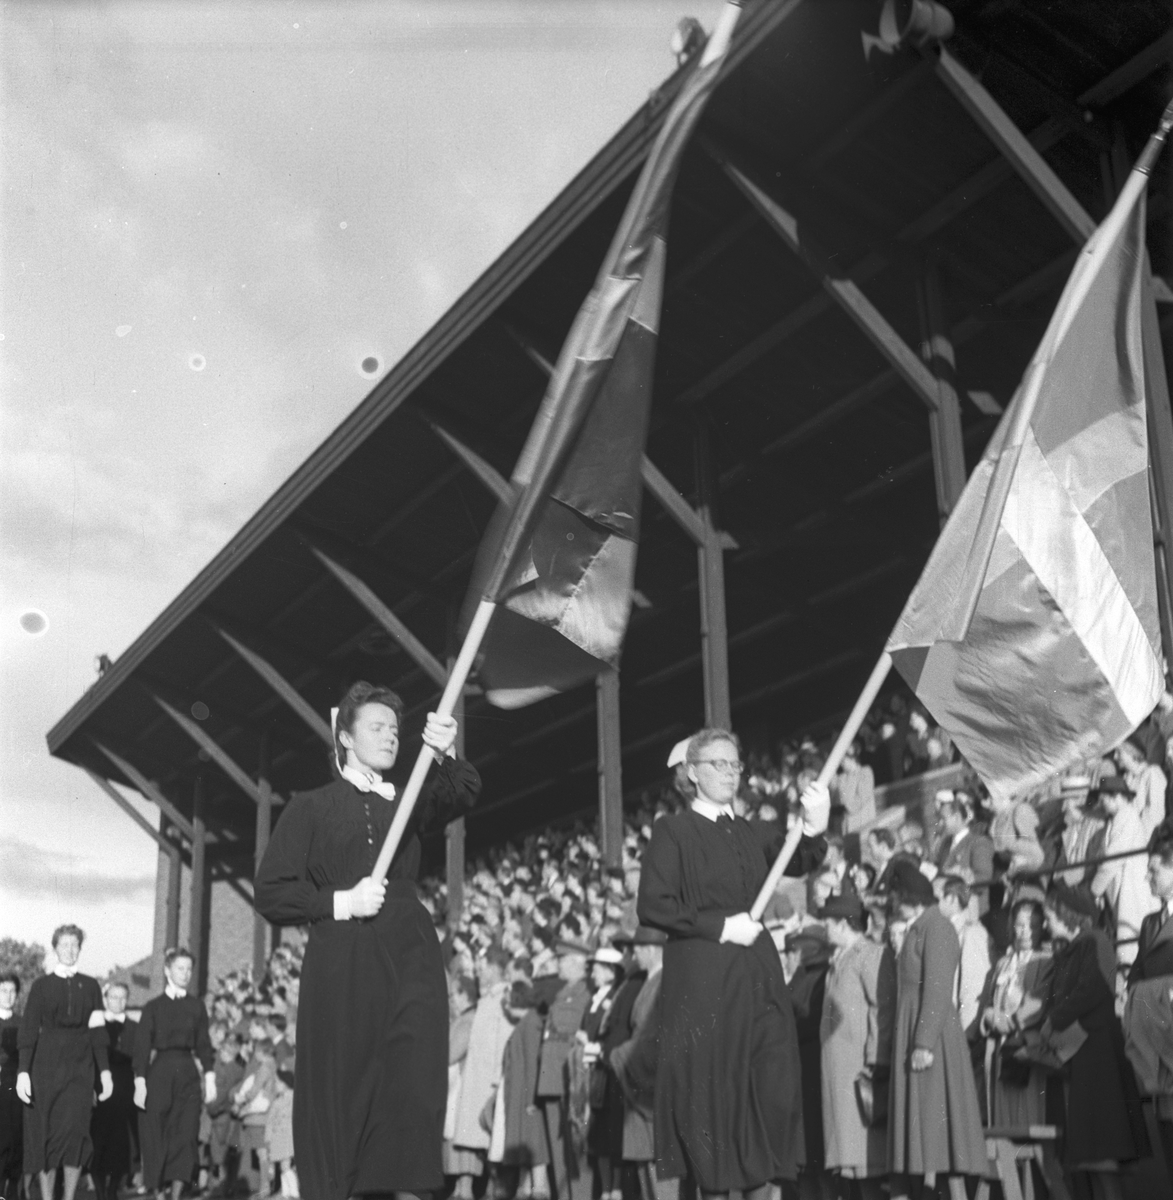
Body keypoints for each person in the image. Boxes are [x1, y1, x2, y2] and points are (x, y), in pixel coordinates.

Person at [254, 681, 481, 1200]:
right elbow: (270, 891)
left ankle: (406, 1187)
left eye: (396, 730)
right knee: (347, 1081)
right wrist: (339, 902)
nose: (390, 737)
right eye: (376, 727)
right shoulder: (311, 807)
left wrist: (444, 750)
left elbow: (462, 793)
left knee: (413, 1077)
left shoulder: (405, 801)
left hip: (410, 948)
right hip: (343, 949)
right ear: (346, 739)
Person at [637, 727, 829, 1199]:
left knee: (770, 1082)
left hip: (757, 976)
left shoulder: (753, 830)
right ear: (692, 774)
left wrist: (815, 824)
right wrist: (719, 927)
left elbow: (800, 857)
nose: (729, 773)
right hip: (706, 977)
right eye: (718, 764)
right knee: (715, 1095)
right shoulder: (673, 831)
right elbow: (654, 905)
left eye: (735, 764)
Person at [885, 862, 986, 1199]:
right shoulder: (919, 927)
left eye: (895, 894)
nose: (891, 901)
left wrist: (924, 1042)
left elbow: (939, 988)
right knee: (923, 1135)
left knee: (933, 1132)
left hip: (933, 1038)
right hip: (914, 1029)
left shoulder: (937, 927)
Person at [1043, 884, 1149, 1199]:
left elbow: (1093, 989)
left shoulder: (1096, 941)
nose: (1047, 922)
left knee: (1102, 1158)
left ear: (1066, 915)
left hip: (1099, 1060)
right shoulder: (1071, 948)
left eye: (1050, 915)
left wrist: (1054, 1019)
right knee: (1089, 1161)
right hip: (1081, 1059)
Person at [18, 924, 113, 1200]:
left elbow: (97, 1033)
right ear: (55, 948)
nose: (70, 950)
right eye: (65, 945)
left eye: (75, 945)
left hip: (80, 1070)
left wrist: (105, 1073)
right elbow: (28, 1030)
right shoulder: (41, 986)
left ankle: (69, 1198)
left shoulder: (92, 985)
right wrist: (23, 1072)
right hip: (46, 1069)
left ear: (80, 949)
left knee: (76, 1132)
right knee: (45, 1133)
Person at [817, 895, 895, 1200]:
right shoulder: (838, 960)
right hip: (838, 1075)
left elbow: (882, 1009)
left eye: (828, 922)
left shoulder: (871, 954)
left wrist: (876, 1060)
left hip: (859, 1074)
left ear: (843, 924)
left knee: (866, 1162)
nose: (825, 928)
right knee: (849, 1165)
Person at [134, 948, 216, 1200]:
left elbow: (203, 1043)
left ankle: (176, 1194)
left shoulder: (196, 1006)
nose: (185, 974)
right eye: (180, 968)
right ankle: (158, 1191)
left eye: (189, 969)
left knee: (186, 1133)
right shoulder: (153, 1007)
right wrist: (140, 1082)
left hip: (187, 1073)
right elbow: (141, 1047)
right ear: (167, 970)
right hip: (159, 1072)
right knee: (156, 1133)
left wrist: (210, 1078)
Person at [1123, 827, 1173, 1173]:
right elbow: (1135, 980)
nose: (1147, 876)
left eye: (1154, 869)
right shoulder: (1149, 923)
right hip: (1159, 1046)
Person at [978, 899, 1051, 1127]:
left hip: (1026, 1044)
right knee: (1002, 1114)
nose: (1025, 932)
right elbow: (989, 1002)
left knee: (1027, 1114)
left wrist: (1008, 1023)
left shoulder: (1046, 961)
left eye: (1033, 926)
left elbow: (1037, 1005)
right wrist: (989, 1015)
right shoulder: (1002, 964)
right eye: (1020, 925)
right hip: (1000, 1046)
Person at [608, 928, 667, 1200]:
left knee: (658, 1170)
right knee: (645, 1167)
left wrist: (620, 1054)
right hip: (638, 1078)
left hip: (650, 1082)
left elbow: (654, 1034)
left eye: (639, 949)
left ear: (653, 949)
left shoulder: (664, 980)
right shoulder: (649, 980)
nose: (635, 955)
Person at [535, 939, 591, 1200]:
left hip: (569, 1075)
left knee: (575, 1146)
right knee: (557, 1149)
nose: (556, 964)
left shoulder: (584, 991)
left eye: (561, 959)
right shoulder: (561, 992)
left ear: (574, 962)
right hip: (551, 1075)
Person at [1090, 776, 1157, 966]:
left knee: (1132, 940)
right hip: (1121, 888)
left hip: (1133, 887)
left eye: (1104, 800)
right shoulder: (1116, 820)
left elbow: (1113, 856)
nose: (1102, 805)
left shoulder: (1128, 816)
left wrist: (1095, 890)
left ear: (1117, 796)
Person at [90, 980, 140, 1200]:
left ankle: (112, 1191)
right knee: (98, 1143)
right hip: (101, 1088)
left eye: (123, 997)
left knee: (122, 1145)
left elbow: (140, 1059)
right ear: (105, 999)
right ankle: (101, 1193)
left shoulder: (135, 1027)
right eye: (113, 997)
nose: (118, 1002)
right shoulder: (96, 1026)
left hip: (126, 1089)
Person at [934, 876, 991, 1036]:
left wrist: (963, 1038)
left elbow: (972, 991)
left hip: (955, 1033)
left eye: (935, 898)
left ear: (952, 899)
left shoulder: (971, 933)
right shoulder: (942, 930)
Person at [934, 799, 994, 916]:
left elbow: (984, 879)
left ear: (956, 817)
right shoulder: (945, 843)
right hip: (948, 910)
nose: (940, 823)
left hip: (971, 911)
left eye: (943, 818)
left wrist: (958, 876)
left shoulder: (978, 842)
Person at [1053, 775, 1106, 887]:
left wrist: (1064, 880)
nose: (1063, 807)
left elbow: (1092, 865)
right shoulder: (1070, 827)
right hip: (1069, 887)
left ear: (1080, 800)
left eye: (1066, 801)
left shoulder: (1097, 826)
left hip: (1083, 887)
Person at [0, 973, 22, 1200]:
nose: (7, 996)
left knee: (15, 1143)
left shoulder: (23, 1023)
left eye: (12, 991)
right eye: (3, 990)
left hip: (14, 1090)